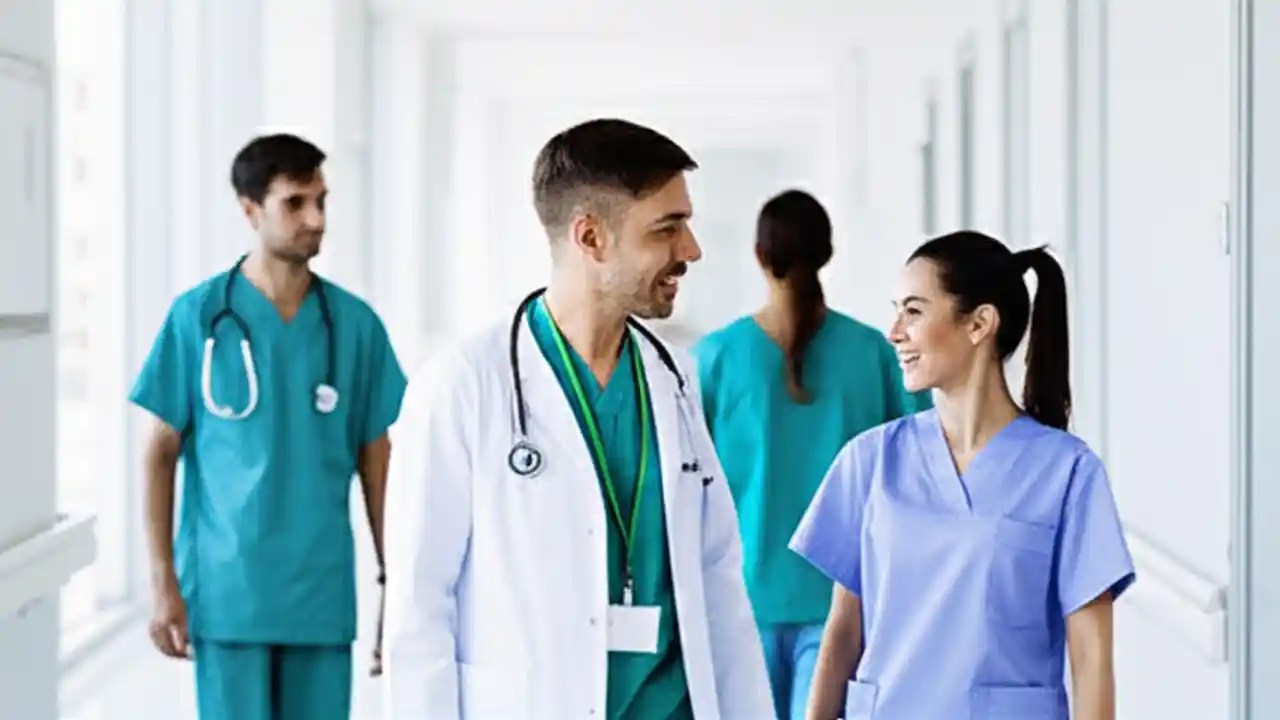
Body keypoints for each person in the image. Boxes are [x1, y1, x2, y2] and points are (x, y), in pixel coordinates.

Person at [381, 118, 773, 719]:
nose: (690, 250)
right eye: (667, 229)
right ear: (591, 237)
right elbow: (418, 611)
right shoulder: (464, 385)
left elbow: (718, 580)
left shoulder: (674, 378)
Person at [789, 230, 1136, 720]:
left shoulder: (1068, 473)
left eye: (913, 311)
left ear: (979, 323)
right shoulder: (870, 460)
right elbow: (844, 632)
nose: (894, 332)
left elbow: (1092, 659)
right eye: (896, 311)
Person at [130, 133, 408, 720]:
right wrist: (162, 582)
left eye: (321, 201)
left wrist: (398, 587)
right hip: (228, 591)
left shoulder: (354, 325)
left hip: (318, 594)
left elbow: (379, 464)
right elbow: (158, 452)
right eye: (295, 203)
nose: (316, 219)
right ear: (250, 209)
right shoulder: (199, 317)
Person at [692, 189, 924, 720]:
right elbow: (921, 471)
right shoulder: (876, 354)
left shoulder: (716, 358)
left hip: (742, 598)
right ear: (827, 253)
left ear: (759, 256)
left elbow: (682, 487)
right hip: (846, 600)